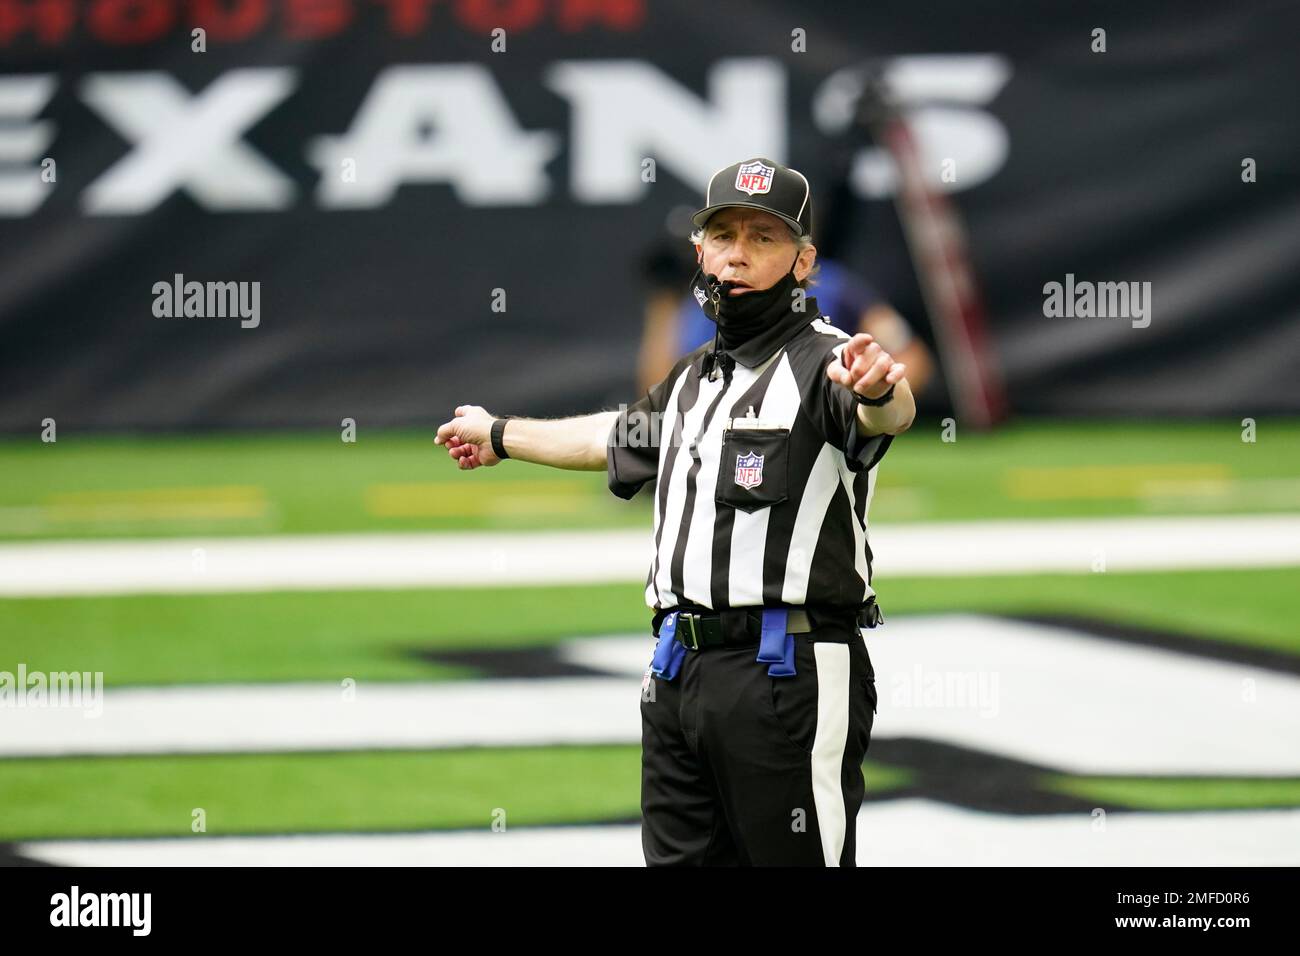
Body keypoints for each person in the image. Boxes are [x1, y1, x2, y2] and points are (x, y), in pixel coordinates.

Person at [434, 157, 915, 866]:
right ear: (701, 249)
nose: (739, 254)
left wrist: (880, 391)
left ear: (804, 259)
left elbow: (881, 414)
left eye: (763, 237)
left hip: (787, 669)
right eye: (724, 235)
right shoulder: (693, 376)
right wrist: (503, 433)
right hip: (676, 670)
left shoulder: (828, 362)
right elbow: (613, 436)